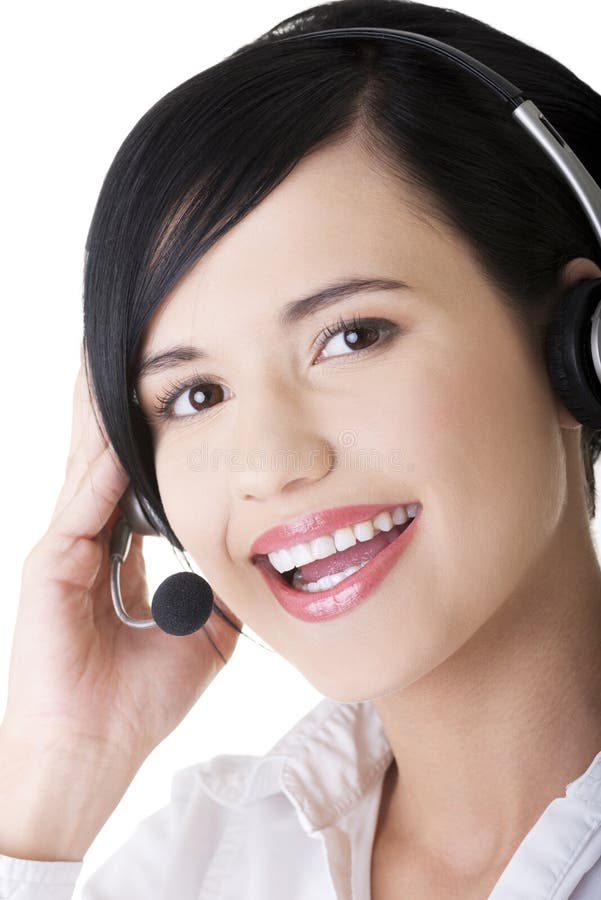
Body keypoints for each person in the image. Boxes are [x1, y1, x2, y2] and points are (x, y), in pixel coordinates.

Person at [2, 0, 601, 896]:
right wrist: (51, 788)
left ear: (576, 348)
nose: (267, 463)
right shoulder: (196, 862)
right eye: (194, 395)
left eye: (351, 336)